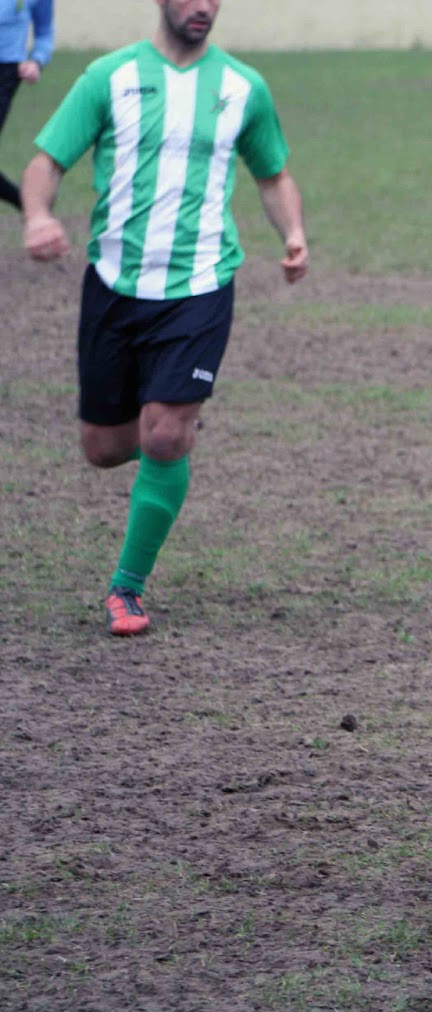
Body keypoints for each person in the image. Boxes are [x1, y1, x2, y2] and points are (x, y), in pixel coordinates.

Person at [20, 0, 308, 635]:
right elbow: (46, 163)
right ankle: (167, 434)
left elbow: (273, 175)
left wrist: (293, 233)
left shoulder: (243, 87)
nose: (203, 7)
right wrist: (38, 215)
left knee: (164, 436)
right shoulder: (109, 77)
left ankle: (127, 587)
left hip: (201, 284)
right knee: (102, 448)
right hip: (115, 284)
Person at [0, 0, 52, 209]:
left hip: (6, 73)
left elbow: (45, 33)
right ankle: (32, 207)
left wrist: (37, 61)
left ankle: (31, 207)